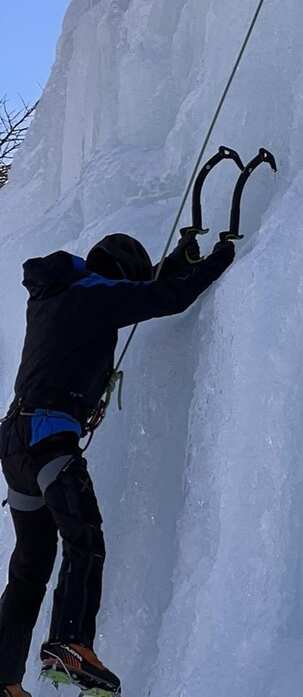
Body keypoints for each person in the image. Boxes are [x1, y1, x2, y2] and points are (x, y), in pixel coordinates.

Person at [0, 229, 236, 697]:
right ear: (120, 272)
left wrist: (176, 260)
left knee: (29, 568)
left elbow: (139, 293)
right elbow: (165, 297)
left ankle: (4, 679)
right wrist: (218, 260)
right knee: (84, 538)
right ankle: (68, 644)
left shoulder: (57, 292)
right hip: (49, 434)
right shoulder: (94, 294)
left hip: (14, 442)